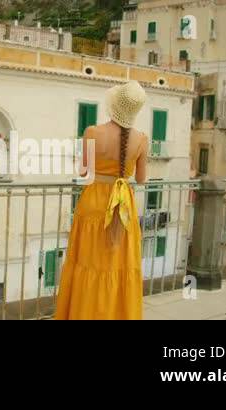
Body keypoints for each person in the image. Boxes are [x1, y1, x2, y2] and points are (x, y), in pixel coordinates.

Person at [55, 81, 148, 320]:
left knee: (88, 264)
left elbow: (85, 173)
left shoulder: (92, 132)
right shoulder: (141, 139)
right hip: (123, 207)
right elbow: (141, 178)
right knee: (118, 265)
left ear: (114, 105)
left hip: (94, 203)